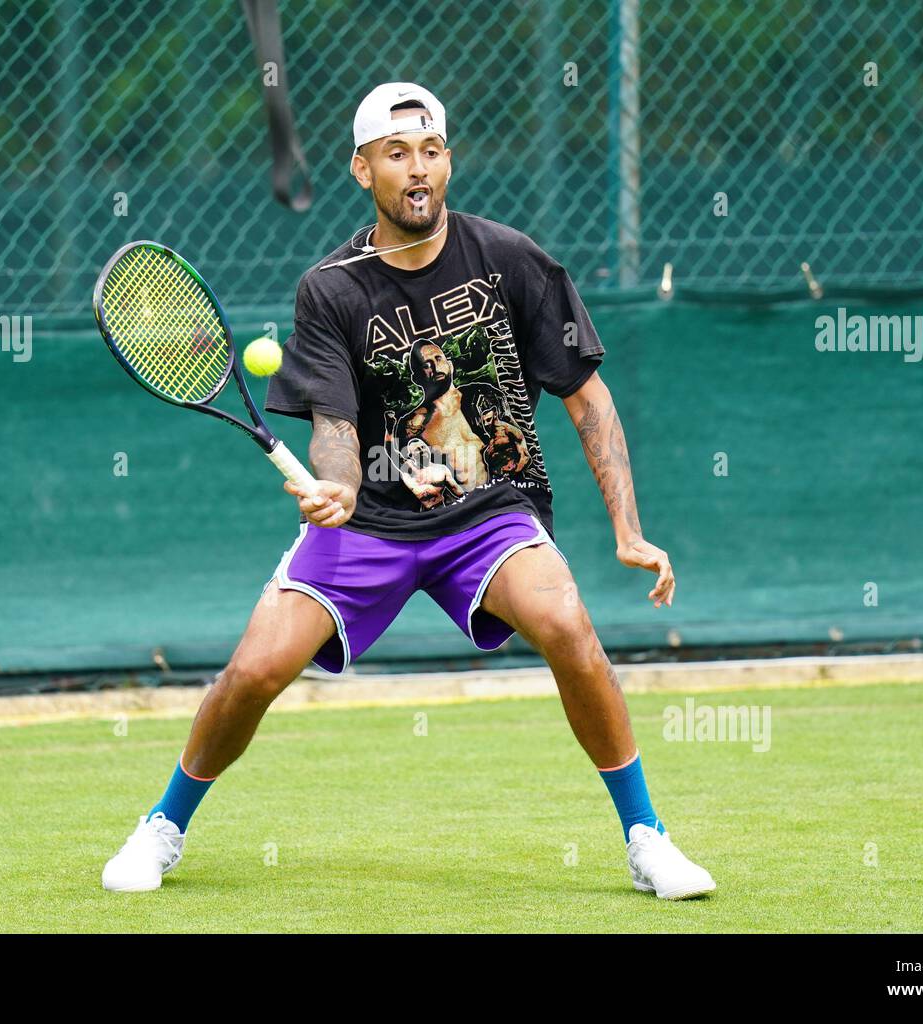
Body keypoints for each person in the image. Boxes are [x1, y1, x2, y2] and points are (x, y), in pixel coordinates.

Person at [102, 82, 715, 901]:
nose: (417, 170)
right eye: (396, 155)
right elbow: (334, 424)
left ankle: (647, 838)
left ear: (448, 161)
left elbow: (588, 400)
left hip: (489, 509)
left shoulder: (513, 259)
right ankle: (163, 827)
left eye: (431, 151)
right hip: (370, 522)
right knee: (254, 671)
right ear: (364, 171)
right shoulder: (331, 289)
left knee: (567, 622)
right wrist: (339, 490)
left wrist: (628, 530)